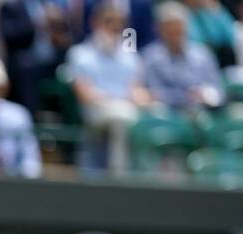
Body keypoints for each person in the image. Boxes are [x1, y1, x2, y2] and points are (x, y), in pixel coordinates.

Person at [66, 2, 150, 174]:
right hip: (95, 110)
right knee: (120, 118)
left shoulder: (131, 56)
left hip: (127, 108)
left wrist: (144, 99)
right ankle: (118, 177)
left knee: (157, 116)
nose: (114, 27)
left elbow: (136, 89)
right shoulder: (79, 54)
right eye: (108, 21)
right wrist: (114, 101)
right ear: (94, 23)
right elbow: (84, 94)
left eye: (119, 23)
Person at [142, 2, 223, 111]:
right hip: (169, 111)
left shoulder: (202, 54)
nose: (175, 36)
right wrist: (185, 96)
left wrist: (206, 93)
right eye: (170, 32)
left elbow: (217, 87)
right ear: (160, 30)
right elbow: (153, 93)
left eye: (178, 31)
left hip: (204, 109)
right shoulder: (151, 57)